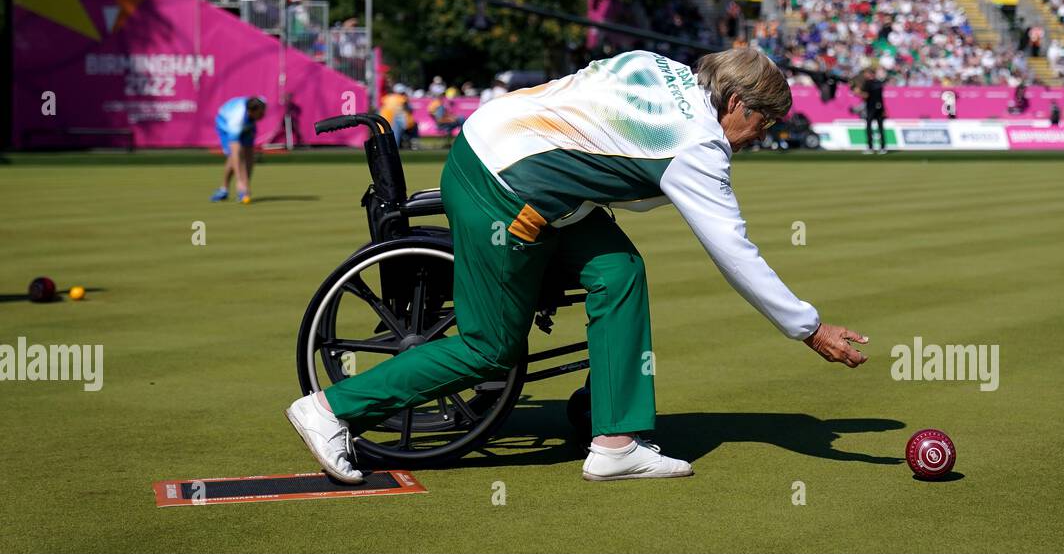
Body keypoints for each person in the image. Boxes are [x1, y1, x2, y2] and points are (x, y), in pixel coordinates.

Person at [286, 48, 868, 483]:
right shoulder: (698, 144)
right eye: (761, 126)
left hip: (517, 167)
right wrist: (809, 328)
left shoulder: (659, 64)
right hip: (503, 187)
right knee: (490, 347)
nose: (758, 140)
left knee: (618, 271)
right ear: (737, 103)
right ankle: (330, 409)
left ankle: (614, 443)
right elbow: (733, 251)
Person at [211, 96, 267, 203]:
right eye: (260, 113)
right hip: (224, 124)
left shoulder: (259, 104)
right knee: (233, 157)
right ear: (251, 111)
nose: (263, 115)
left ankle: (244, 188)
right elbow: (237, 154)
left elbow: (248, 156)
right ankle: (224, 189)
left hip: (248, 123)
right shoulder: (236, 120)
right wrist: (239, 181)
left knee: (249, 153)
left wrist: (246, 184)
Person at [851, 67, 888, 154]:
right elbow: (880, 97)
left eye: (866, 73)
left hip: (871, 107)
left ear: (871, 74)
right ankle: (882, 148)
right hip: (880, 107)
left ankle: (870, 148)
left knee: (869, 127)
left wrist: (857, 93)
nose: (865, 75)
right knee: (880, 128)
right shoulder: (879, 83)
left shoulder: (868, 83)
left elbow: (866, 96)